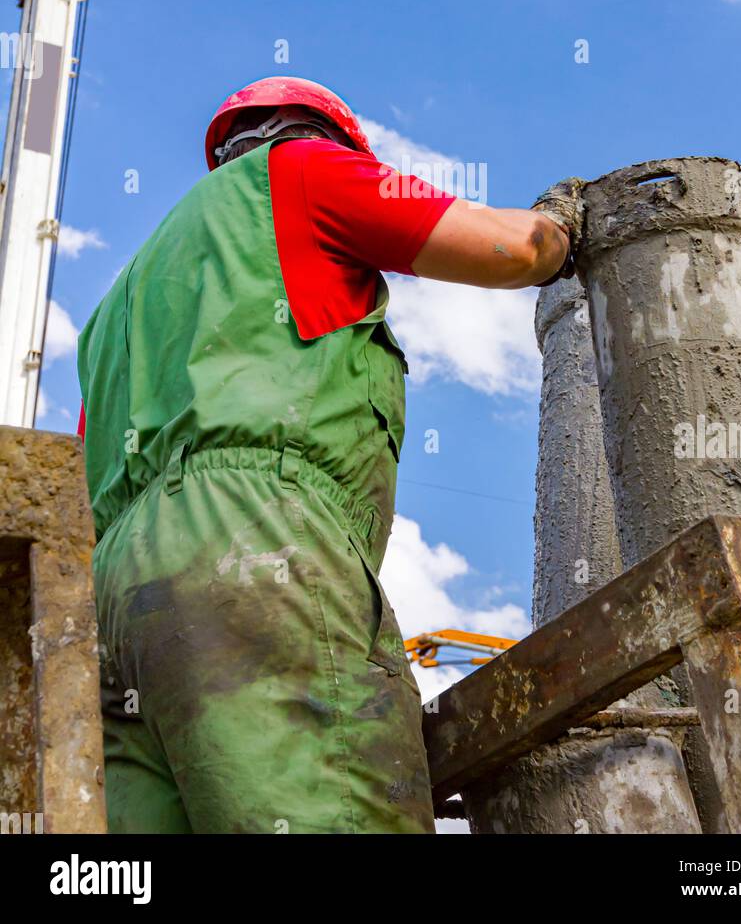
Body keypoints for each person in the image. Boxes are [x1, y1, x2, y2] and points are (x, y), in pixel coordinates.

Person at [77, 76, 582, 833]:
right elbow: (513, 249)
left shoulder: (118, 300)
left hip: (111, 601)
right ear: (325, 138)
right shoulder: (303, 172)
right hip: (252, 541)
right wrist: (563, 222)